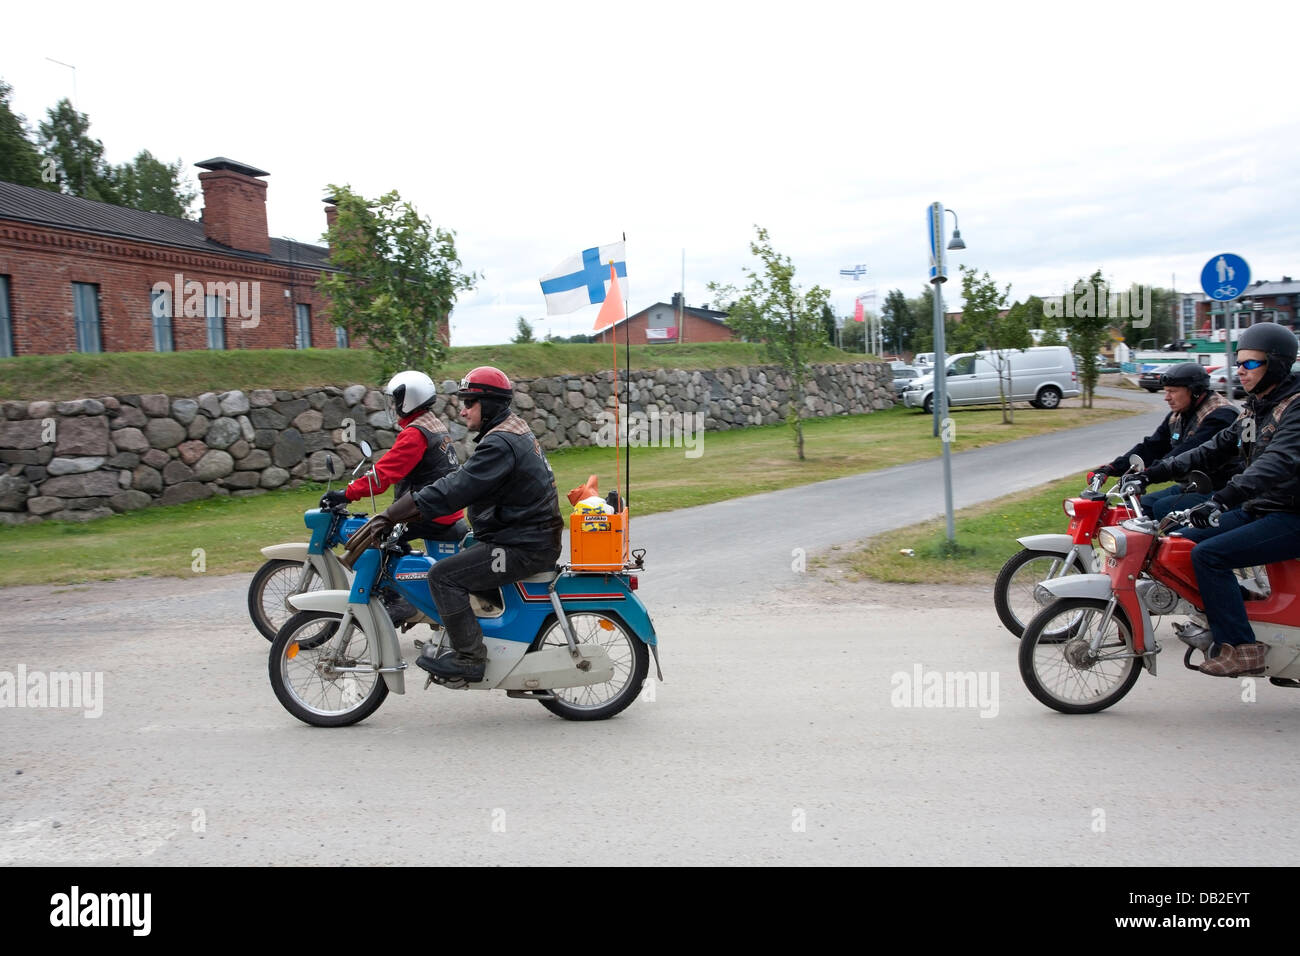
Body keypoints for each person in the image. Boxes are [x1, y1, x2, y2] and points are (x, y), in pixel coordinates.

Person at [348, 366, 564, 683]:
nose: (462, 411)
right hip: (523, 536)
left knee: (443, 576)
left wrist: (391, 514)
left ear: (488, 404)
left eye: (469, 403)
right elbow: (459, 482)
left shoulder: (500, 443)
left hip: (523, 545)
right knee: (461, 557)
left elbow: (456, 489)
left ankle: (470, 659)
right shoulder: (510, 432)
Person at [1133, 323, 1300, 677]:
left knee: (1209, 556)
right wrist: (1152, 473)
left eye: (1251, 363)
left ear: (1277, 364)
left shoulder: (1295, 408)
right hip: (1262, 509)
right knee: (1175, 541)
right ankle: (1230, 610)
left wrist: (1222, 499)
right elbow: (1213, 448)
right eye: (1239, 363)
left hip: (1291, 514)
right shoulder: (1258, 407)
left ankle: (1241, 647)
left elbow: (1278, 462)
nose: (1240, 370)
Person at [320, 370, 467, 622]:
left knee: (378, 536)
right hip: (442, 507)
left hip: (430, 510)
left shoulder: (415, 434)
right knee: (392, 532)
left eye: (395, 400)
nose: (393, 406)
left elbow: (382, 477)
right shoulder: (432, 424)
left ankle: (398, 602)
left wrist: (345, 493)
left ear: (408, 400)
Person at [1090, 363, 1239, 518]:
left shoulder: (1220, 415)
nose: (1166, 397)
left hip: (1220, 489)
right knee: (1131, 509)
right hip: (1190, 486)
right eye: (1166, 391)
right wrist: (1112, 468)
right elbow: (1152, 446)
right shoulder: (1180, 414)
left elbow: (1187, 453)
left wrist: (1148, 475)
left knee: (1164, 508)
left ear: (1194, 391)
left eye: (1172, 391)